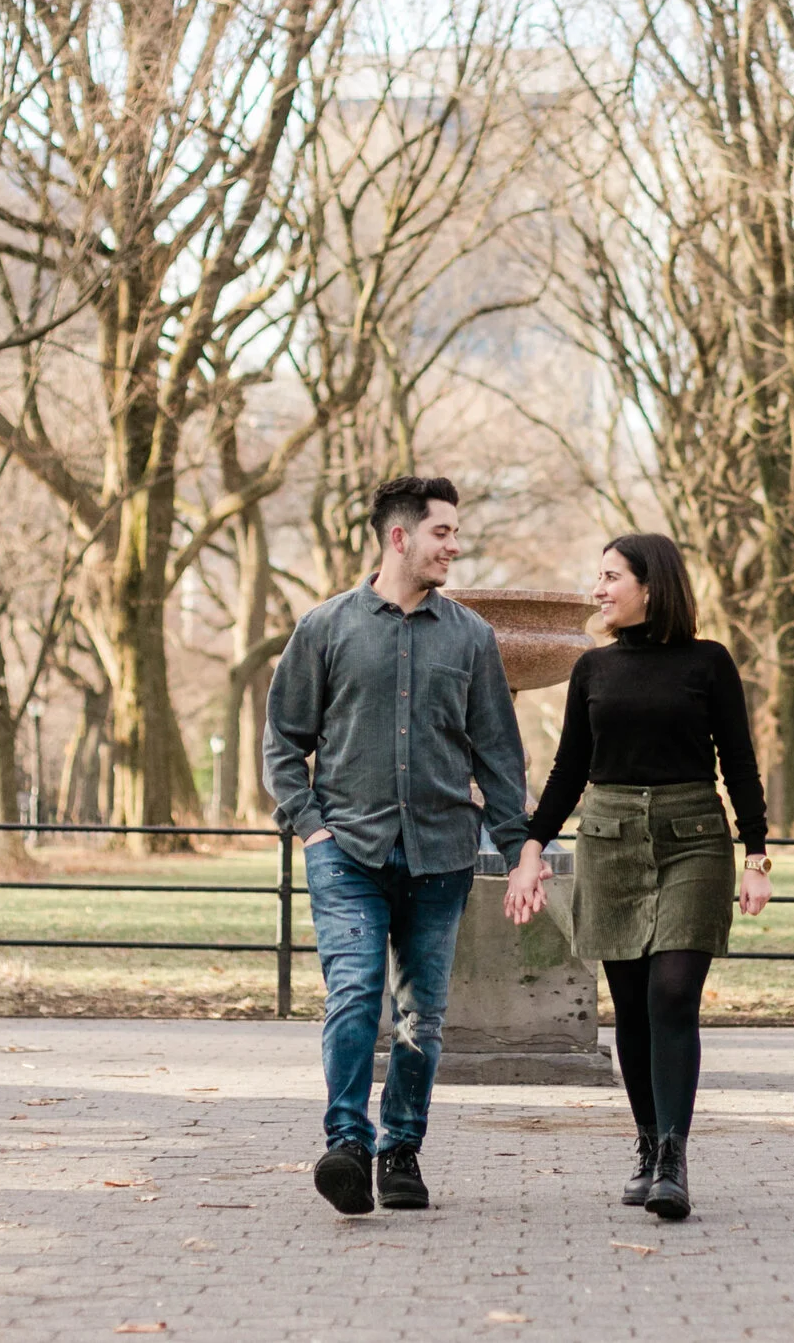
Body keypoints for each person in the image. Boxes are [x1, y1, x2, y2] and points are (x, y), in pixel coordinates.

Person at [264, 475, 529, 1215]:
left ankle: (401, 1146)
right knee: (354, 994)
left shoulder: (471, 636)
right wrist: (308, 823)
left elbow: (500, 756)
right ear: (400, 536)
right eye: (443, 531)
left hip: (443, 853)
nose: (455, 544)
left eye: (456, 531)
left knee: (422, 1014)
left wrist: (520, 848)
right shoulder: (325, 627)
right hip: (346, 846)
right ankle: (347, 1140)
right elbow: (284, 740)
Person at [504, 532, 770, 1221]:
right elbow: (568, 770)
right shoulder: (593, 669)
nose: (598, 589)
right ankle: (648, 1143)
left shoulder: (709, 664)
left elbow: (739, 764)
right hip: (609, 837)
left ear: (651, 585)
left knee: (673, 992)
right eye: (598, 576)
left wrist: (757, 855)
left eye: (610, 576)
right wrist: (533, 844)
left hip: (692, 839)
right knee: (630, 1002)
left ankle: (675, 1158)